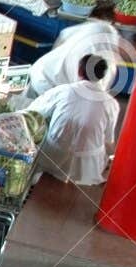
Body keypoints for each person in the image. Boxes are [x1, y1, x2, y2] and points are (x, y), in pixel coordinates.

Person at [27, 54, 119, 185]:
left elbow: (33, 111)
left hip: (52, 159)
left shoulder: (64, 91)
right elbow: (109, 140)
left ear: (79, 71)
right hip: (88, 169)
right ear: (102, 76)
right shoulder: (111, 103)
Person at [24, 21, 129, 100]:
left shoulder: (104, 28)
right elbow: (89, 94)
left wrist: (59, 58)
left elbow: (64, 34)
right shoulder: (107, 63)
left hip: (42, 67)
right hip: (49, 83)